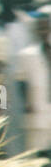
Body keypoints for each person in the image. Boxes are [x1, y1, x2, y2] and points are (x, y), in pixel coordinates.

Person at [16, 12, 51, 153]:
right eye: (40, 28)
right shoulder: (26, 55)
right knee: (38, 155)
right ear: (35, 30)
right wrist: (26, 103)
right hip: (37, 112)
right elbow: (21, 83)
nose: (43, 31)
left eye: (46, 28)